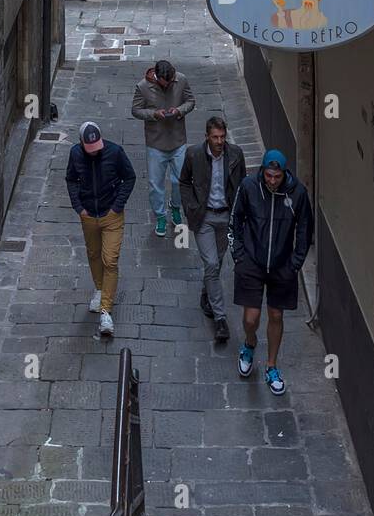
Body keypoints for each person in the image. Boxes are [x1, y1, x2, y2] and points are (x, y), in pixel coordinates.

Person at [229, 149, 313, 395]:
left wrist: (294, 264)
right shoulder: (248, 187)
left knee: (276, 316)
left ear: (284, 173)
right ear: (262, 172)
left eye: (277, 177)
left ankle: (271, 366)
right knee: (250, 319)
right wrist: (239, 257)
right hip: (251, 263)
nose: (272, 181)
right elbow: (236, 220)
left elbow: (305, 231)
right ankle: (250, 342)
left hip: (282, 266)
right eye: (269, 176)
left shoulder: (297, 193)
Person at [179, 116, 246, 344]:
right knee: (211, 264)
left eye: (222, 137)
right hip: (204, 217)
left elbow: (243, 184)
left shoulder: (235, 154)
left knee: (215, 263)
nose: (219, 141)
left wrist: (241, 214)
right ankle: (220, 319)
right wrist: (190, 208)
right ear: (207, 136)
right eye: (215, 137)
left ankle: (206, 292)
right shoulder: (194, 154)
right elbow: (184, 182)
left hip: (226, 217)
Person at [65, 121, 136, 337]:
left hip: (111, 215)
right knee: (94, 254)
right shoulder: (75, 154)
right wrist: (79, 207)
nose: (95, 153)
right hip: (89, 215)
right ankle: (99, 288)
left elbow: (129, 177)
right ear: (81, 143)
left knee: (110, 259)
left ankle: (106, 310)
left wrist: (117, 206)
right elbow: (71, 179)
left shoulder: (115, 152)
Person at [131, 59, 195, 237]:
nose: (167, 86)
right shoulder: (142, 87)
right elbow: (135, 110)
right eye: (163, 83)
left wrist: (179, 110)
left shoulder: (181, 80)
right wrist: (153, 114)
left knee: (179, 181)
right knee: (155, 184)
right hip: (155, 142)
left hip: (177, 139)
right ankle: (160, 215)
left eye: (170, 82)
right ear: (157, 78)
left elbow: (190, 101)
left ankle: (175, 206)